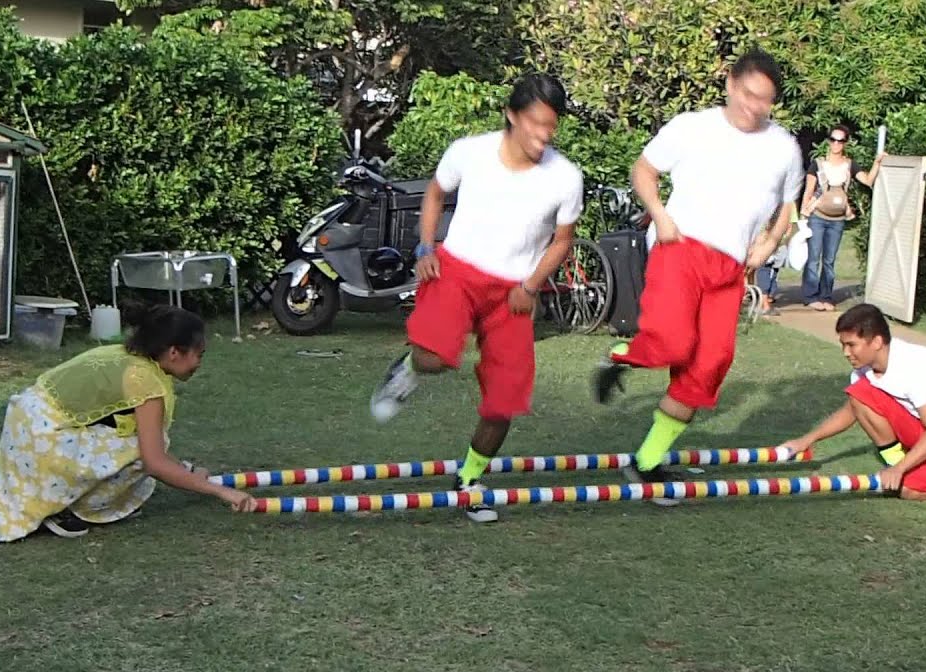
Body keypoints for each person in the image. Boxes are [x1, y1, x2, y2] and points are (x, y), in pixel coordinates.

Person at [368, 73, 584, 524]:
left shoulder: (565, 177)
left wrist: (531, 285)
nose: (543, 135)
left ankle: (469, 479)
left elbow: (563, 241)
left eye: (551, 126)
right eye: (535, 123)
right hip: (457, 272)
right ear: (511, 115)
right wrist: (426, 246)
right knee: (435, 357)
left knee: (503, 403)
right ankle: (407, 368)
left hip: (513, 293)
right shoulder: (471, 152)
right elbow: (434, 192)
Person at [591, 48, 803, 504]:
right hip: (679, 246)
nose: (754, 106)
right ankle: (622, 354)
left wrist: (769, 243)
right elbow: (644, 170)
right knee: (672, 342)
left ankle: (646, 462)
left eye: (764, 100)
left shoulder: (784, 146)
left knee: (709, 365)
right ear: (729, 83)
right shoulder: (692, 127)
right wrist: (660, 215)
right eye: (747, 94)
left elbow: (789, 204)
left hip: (730, 265)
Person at [0, 304, 256, 543]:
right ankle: (62, 507)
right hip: (41, 439)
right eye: (198, 354)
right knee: (139, 450)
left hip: (30, 429)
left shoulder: (128, 357)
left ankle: (63, 500)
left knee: (141, 444)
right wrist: (220, 492)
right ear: (174, 352)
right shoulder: (143, 380)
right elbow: (154, 461)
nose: (199, 362)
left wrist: (187, 471)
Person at [781, 303, 926, 500]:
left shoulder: (914, 368)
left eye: (851, 345)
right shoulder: (865, 368)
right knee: (859, 393)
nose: (845, 353)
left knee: (905, 488)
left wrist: (899, 470)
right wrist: (806, 440)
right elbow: (850, 411)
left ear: (877, 342)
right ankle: (899, 462)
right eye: (842, 345)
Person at [799, 124, 885, 310]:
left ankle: (826, 296)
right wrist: (803, 216)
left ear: (845, 143)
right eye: (833, 139)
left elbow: (868, 181)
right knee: (814, 258)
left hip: (837, 220)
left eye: (841, 140)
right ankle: (811, 295)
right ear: (829, 141)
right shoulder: (818, 163)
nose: (836, 143)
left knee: (829, 260)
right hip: (817, 217)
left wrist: (877, 163)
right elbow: (809, 190)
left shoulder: (850, 165)